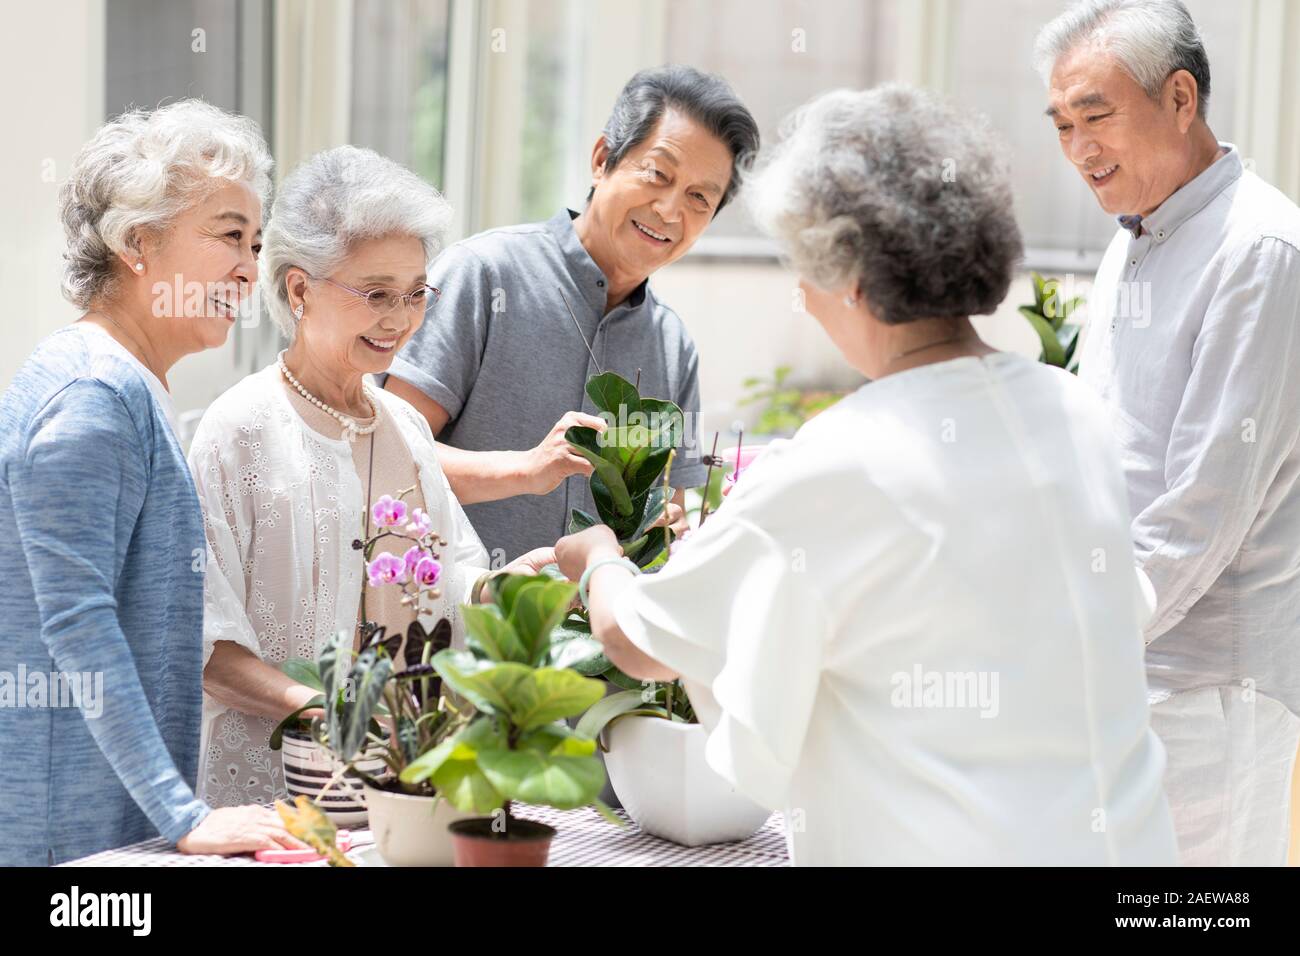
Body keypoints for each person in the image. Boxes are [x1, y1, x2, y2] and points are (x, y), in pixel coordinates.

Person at [556, 85, 1178, 865]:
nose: (805, 302)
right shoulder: (1072, 412)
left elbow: (644, 644)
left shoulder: (839, 461)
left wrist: (601, 560)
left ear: (846, 274)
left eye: (802, 267)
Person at [192, 147, 553, 806]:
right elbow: (209, 646)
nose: (401, 319)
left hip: (401, 789)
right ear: (299, 289)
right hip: (271, 803)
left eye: (417, 294)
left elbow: (444, 583)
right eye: (377, 295)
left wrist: (502, 587)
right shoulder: (239, 430)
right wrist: (335, 712)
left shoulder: (406, 432)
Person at [0, 99, 301, 864]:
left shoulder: (119, 384)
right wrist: (185, 815)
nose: (249, 266)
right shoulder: (95, 397)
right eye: (230, 234)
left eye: (257, 242)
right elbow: (78, 624)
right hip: (64, 843)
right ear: (138, 243)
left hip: (105, 830)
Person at [1036, 0, 1300, 865]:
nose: (1079, 149)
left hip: (1208, 691)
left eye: (1097, 116)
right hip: (1122, 666)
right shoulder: (1136, 235)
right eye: (1063, 124)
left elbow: (1203, 506)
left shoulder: (1259, 251)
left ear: (1180, 97)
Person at [384, 65, 759, 565]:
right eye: (658, 174)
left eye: (699, 197)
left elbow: (671, 509)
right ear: (603, 159)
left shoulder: (673, 346)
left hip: (594, 635)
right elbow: (388, 454)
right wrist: (525, 469)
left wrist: (669, 531)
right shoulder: (484, 274)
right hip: (452, 624)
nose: (670, 211)